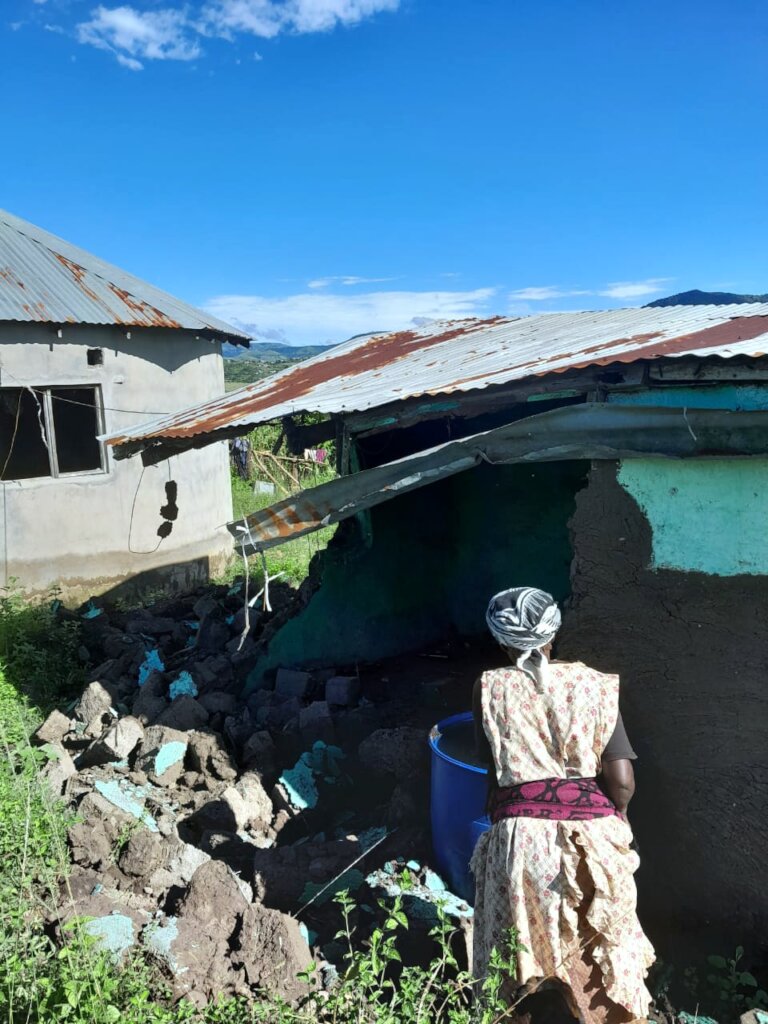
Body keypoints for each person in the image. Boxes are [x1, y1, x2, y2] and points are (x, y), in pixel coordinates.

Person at [471, 587, 655, 1024]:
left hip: (520, 841)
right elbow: (621, 780)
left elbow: (493, 773)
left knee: (516, 965)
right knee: (599, 953)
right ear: (553, 634)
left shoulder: (490, 687)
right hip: (592, 842)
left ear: (502, 642)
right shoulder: (593, 684)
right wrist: (617, 819)